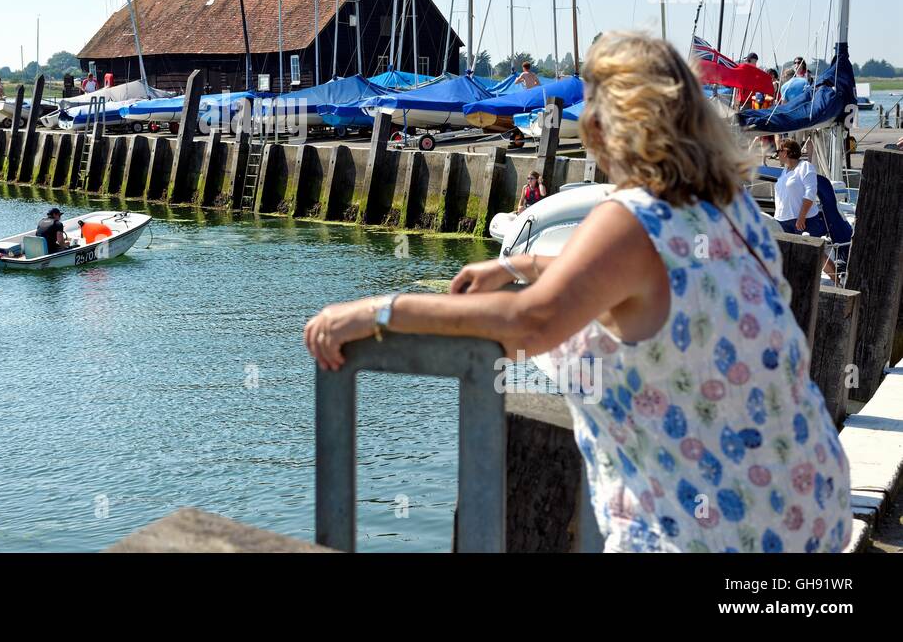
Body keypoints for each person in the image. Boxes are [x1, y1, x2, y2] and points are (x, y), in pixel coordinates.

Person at [304, 30, 850, 553]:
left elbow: (528, 325)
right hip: (805, 508)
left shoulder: (634, 218)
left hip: (707, 535)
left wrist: (380, 311)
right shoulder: (728, 209)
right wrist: (521, 265)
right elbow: (635, 276)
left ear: (604, 126)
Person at [774, 139, 837, 277]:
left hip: (804, 220)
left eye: (779, 150)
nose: (777, 153)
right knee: (788, 256)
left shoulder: (805, 167)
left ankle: (838, 283)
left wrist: (801, 216)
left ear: (787, 152)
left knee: (815, 254)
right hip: (783, 220)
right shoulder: (784, 171)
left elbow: (810, 192)